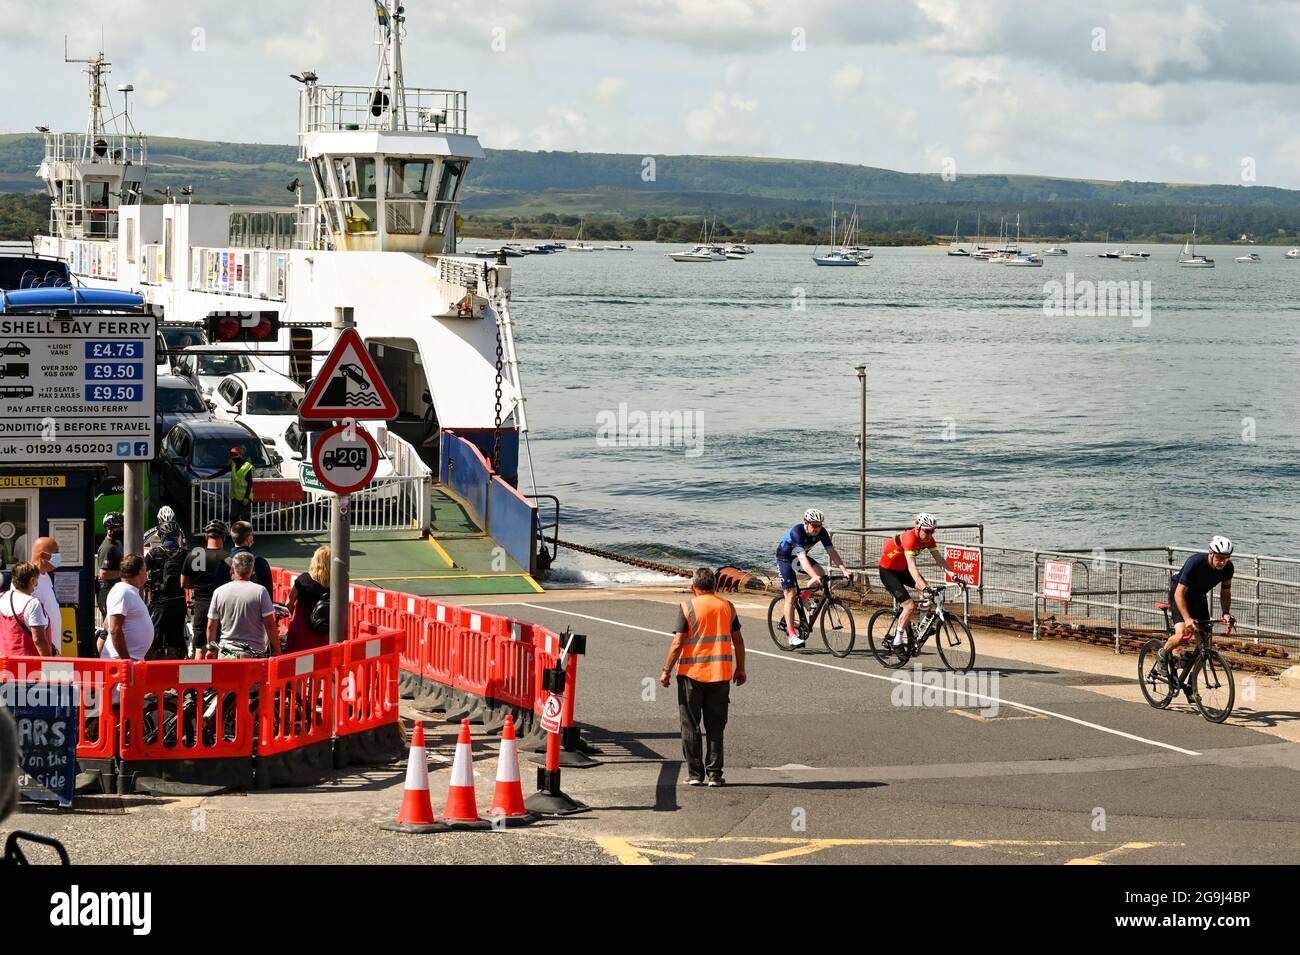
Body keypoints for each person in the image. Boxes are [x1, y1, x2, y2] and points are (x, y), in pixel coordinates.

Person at [660, 568, 746, 787]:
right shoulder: (728, 606)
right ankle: (715, 775)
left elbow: (678, 642)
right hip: (720, 675)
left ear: (693, 588)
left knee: (690, 725)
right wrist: (741, 669)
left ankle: (695, 774)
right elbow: (738, 641)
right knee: (716, 726)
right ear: (715, 586)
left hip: (692, 675)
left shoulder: (687, 607)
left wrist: (666, 670)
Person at [877, 511, 965, 650]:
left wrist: (954, 576)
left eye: (933, 532)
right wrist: (924, 587)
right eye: (927, 531)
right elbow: (912, 567)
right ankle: (897, 641)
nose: (930, 535)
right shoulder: (909, 538)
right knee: (910, 606)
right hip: (888, 571)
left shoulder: (929, 540)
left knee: (927, 594)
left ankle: (921, 627)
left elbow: (940, 560)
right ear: (917, 527)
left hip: (902, 570)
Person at [1158, 536, 1236, 679]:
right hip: (1180, 594)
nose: (1222, 561)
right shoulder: (1195, 563)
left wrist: (1225, 613)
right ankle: (1163, 653)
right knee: (1182, 633)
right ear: (1211, 553)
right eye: (1219, 557)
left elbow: (1225, 592)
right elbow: (1179, 593)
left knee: (1205, 643)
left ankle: (1191, 683)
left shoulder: (1228, 568)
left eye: (1226, 558)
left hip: (1199, 597)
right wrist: (1187, 619)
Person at [775, 508, 852, 648]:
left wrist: (844, 570)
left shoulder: (822, 532)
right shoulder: (797, 532)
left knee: (822, 574)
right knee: (791, 594)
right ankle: (792, 635)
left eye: (820, 525)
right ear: (806, 522)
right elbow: (803, 560)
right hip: (785, 559)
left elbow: (831, 551)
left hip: (798, 558)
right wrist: (813, 576)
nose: (817, 528)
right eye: (814, 525)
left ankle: (803, 598)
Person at [206, 552, 278, 659]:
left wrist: (211, 649)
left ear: (232, 569)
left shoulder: (219, 592)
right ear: (252, 570)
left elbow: (211, 626)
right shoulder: (260, 591)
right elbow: (270, 625)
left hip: (226, 653)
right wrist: (277, 649)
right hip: (253, 653)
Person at [182, 519, 230, 658]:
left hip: (201, 606)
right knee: (221, 648)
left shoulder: (195, 555)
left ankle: (198, 679)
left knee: (200, 648)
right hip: (222, 608)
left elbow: (184, 583)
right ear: (224, 537)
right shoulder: (228, 559)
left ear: (205, 536)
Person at [142, 520, 189, 659]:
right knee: (177, 636)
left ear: (162, 536)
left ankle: (153, 666)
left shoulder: (154, 553)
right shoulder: (185, 554)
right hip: (179, 602)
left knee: (154, 635)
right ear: (177, 536)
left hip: (159, 602)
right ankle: (175, 664)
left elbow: (141, 572)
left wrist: (147, 589)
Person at [99, 554, 153, 662]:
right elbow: (114, 629)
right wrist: (126, 660)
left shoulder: (130, 591)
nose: (146, 575)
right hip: (120, 661)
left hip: (131, 659)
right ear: (139, 572)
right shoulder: (122, 592)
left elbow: (106, 623)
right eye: (145, 571)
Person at [284, 545, 330, 654]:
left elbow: (288, 603)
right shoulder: (334, 584)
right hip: (322, 631)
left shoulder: (303, 579)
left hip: (301, 629)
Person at [0, 562, 52, 656]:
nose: (37, 583)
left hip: (5, 663)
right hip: (27, 665)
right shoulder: (33, 604)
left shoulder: (1, 597)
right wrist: (49, 664)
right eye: (37, 579)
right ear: (32, 580)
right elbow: (39, 640)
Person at [215, 520, 273, 595]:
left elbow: (218, 592)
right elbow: (268, 595)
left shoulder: (224, 564)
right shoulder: (261, 563)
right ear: (249, 538)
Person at [30, 537, 63, 655]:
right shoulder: (28, 579)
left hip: (53, 647)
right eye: (56, 553)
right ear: (43, 555)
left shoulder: (46, 576)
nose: (59, 556)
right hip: (41, 651)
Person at [96, 511, 125, 619]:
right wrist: (123, 573)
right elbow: (103, 573)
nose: (121, 530)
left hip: (116, 591)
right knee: (108, 629)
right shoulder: (107, 548)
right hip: (108, 593)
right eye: (118, 528)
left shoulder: (118, 542)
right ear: (109, 529)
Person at [221, 446, 256, 524]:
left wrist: (246, 498)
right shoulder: (233, 465)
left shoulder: (247, 467)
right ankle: (235, 533)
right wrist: (209, 477)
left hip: (245, 498)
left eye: (235, 454)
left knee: (245, 518)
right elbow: (223, 471)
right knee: (233, 517)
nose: (233, 456)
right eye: (231, 454)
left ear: (240, 455)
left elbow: (250, 483)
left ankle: (247, 534)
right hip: (235, 497)